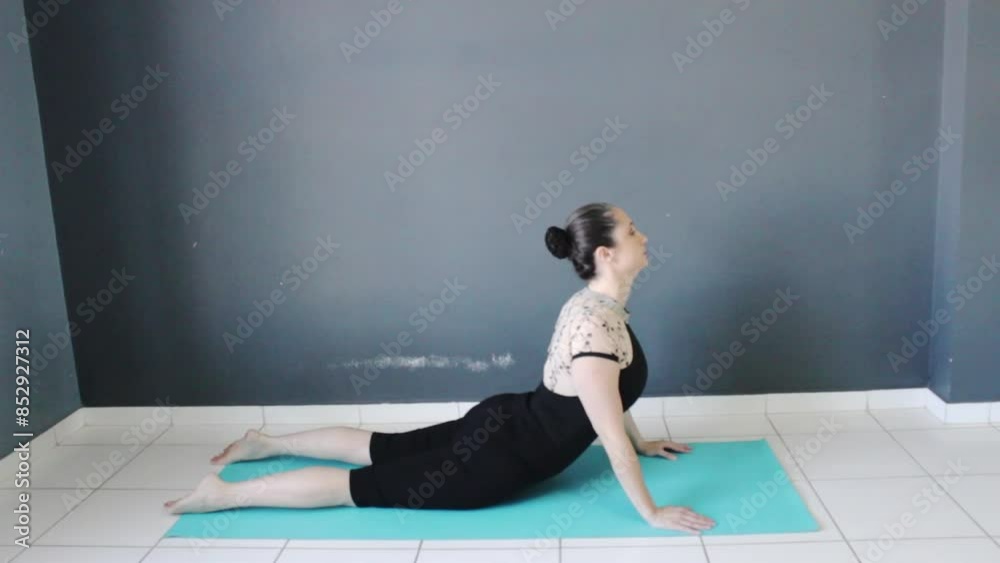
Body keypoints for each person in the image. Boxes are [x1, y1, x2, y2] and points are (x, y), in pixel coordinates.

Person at [164, 202, 716, 534]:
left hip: (505, 421)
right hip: (499, 459)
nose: (644, 236)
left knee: (381, 446)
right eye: (633, 230)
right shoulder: (596, 328)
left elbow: (608, 401)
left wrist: (642, 442)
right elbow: (608, 433)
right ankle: (224, 494)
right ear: (606, 254)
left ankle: (265, 443)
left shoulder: (599, 309)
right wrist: (650, 512)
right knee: (361, 484)